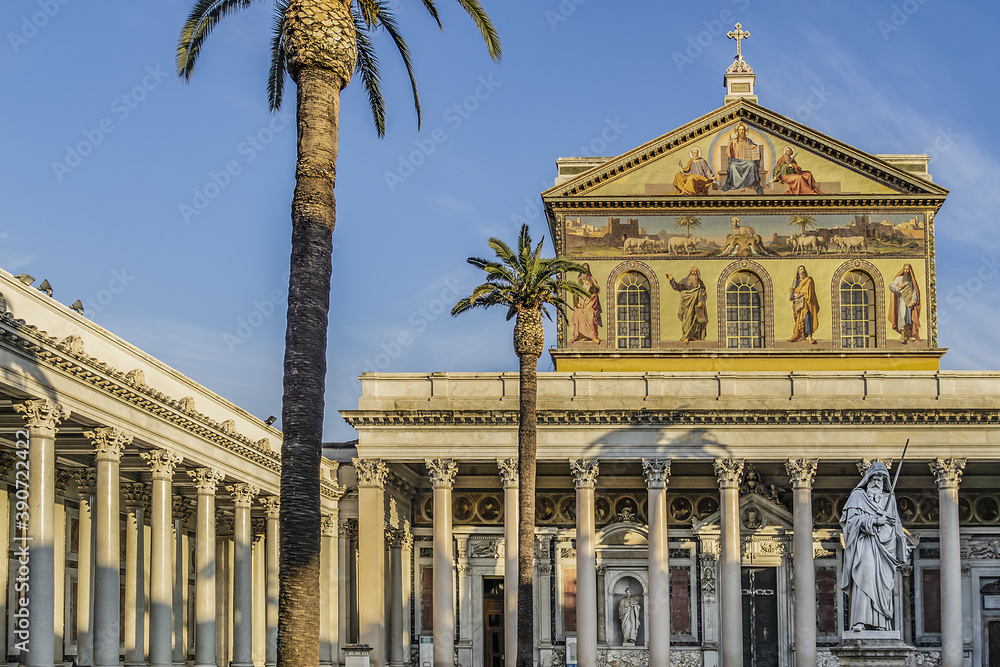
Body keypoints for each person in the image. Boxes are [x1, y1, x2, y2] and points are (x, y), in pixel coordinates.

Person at [840, 462, 910, 631]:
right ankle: (859, 621)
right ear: (868, 480)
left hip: (884, 548)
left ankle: (881, 623)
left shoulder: (889, 499)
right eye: (874, 479)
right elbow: (851, 522)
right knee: (864, 576)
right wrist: (874, 520)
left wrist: (898, 540)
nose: (877, 483)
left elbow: (896, 525)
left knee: (883, 587)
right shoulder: (857, 496)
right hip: (865, 544)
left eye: (880, 480)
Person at [721, 122, 764, 194]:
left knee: (752, 164)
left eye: (743, 129)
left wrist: (753, 146)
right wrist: (730, 144)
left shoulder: (748, 141)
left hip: (746, 161)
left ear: (745, 131)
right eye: (740, 129)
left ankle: (749, 185)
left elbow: (755, 148)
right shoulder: (734, 141)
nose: (741, 131)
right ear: (737, 131)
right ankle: (738, 186)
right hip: (736, 161)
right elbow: (729, 154)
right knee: (732, 166)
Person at [666, 267, 708, 342]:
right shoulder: (685, 281)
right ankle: (686, 336)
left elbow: (703, 294)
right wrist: (672, 280)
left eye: (695, 271)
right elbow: (678, 287)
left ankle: (695, 337)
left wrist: (701, 301)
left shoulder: (700, 283)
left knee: (696, 321)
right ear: (690, 272)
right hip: (687, 305)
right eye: (692, 271)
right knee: (687, 320)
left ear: (698, 273)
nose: (694, 272)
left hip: (697, 306)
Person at [888, 264, 920, 344]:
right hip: (902, 300)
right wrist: (898, 288)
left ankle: (907, 336)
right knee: (902, 317)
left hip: (909, 302)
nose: (906, 271)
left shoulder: (911, 281)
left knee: (908, 319)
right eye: (905, 269)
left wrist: (913, 300)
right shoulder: (899, 279)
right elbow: (891, 286)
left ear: (910, 270)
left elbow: (914, 292)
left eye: (907, 269)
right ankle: (902, 336)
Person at [788, 265, 819, 343]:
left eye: (803, 269)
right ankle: (802, 335)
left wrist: (800, 294)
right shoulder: (797, 282)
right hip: (799, 305)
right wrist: (794, 295)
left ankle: (810, 337)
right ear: (798, 272)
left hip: (807, 303)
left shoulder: (809, 280)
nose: (803, 271)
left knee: (807, 318)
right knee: (800, 321)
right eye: (801, 269)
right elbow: (792, 294)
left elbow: (810, 292)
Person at [571, 264, 602, 343]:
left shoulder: (592, 280)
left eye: (586, 269)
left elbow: (596, 290)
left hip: (590, 302)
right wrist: (577, 303)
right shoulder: (579, 281)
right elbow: (575, 293)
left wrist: (591, 285)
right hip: (581, 303)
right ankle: (583, 336)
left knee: (591, 318)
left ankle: (592, 336)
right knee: (581, 319)